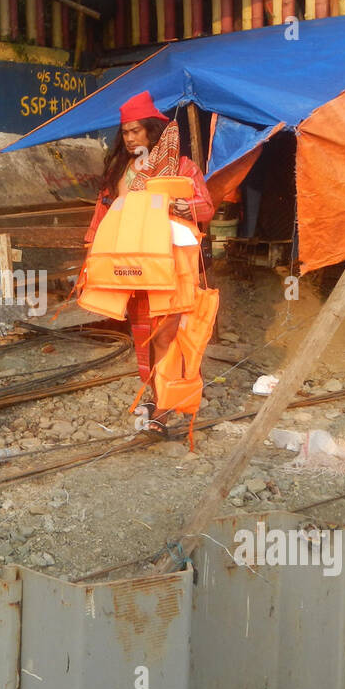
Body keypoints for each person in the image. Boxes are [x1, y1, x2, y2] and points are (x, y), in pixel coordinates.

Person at [84, 90, 214, 435]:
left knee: (166, 335)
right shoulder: (120, 172)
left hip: (171, 267)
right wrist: (91, 254)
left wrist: (189, 208)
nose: (129, 139)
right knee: (142, 335)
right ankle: (157, 396)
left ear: (152, 132)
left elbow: (206, 207)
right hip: (132, 267)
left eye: (136, 132)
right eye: (125, 132)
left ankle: (165, 406)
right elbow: (103, 214)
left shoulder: (182, 167)